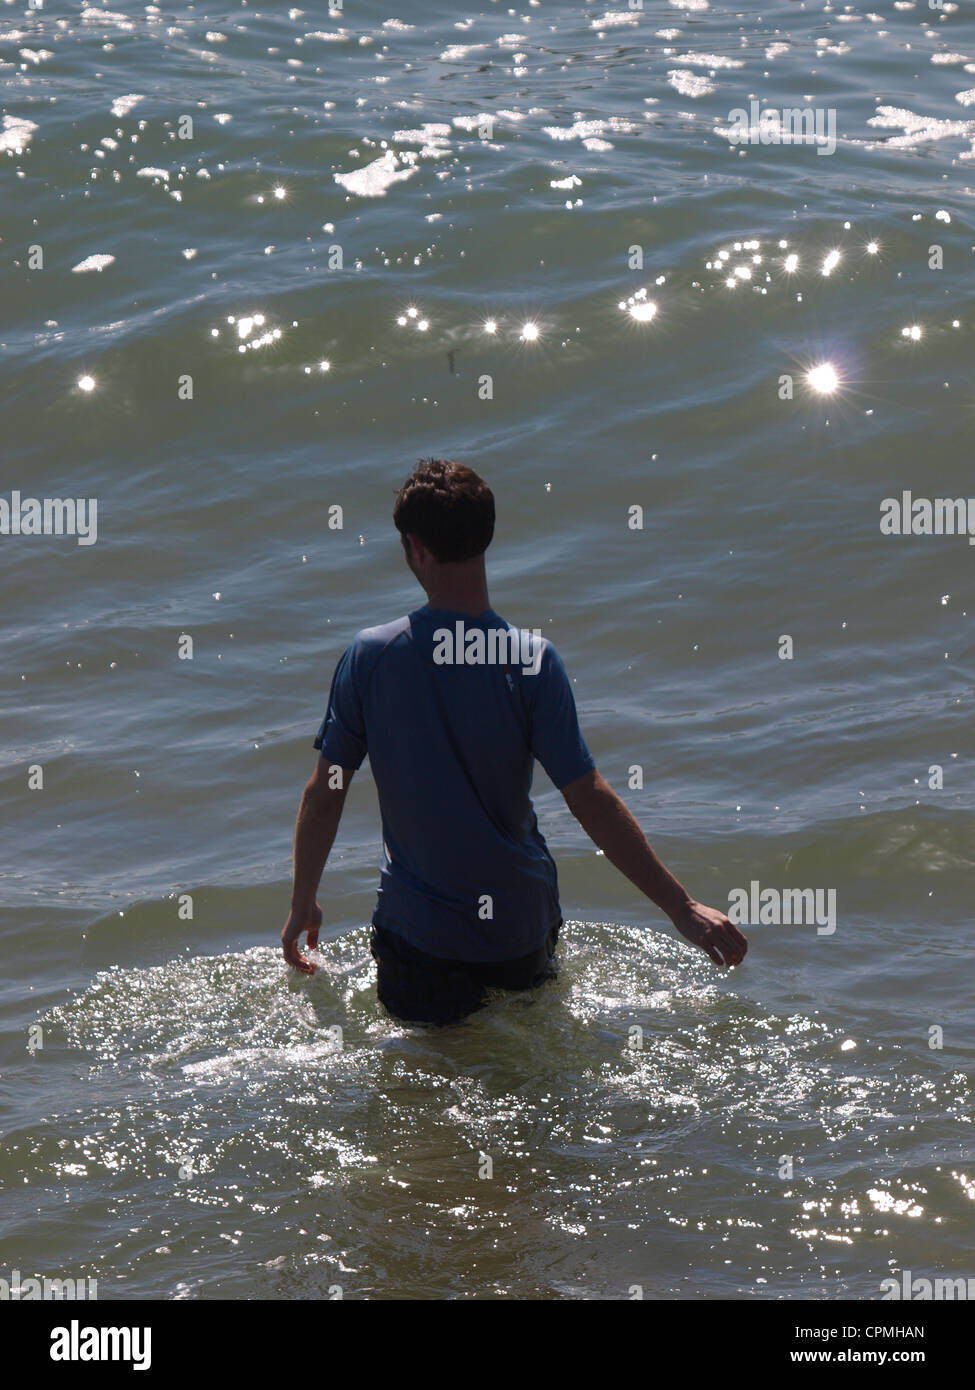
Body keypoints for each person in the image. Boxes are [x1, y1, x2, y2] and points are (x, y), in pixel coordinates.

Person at [281, 459, 747, 1024]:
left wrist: (302, 902)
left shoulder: (372, 657)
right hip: (519, 928)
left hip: (422, 935)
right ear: (488, 536)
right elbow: (591, 799)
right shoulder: (530, 660)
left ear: (414, 547)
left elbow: (327, 791)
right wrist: (683, 907)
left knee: (430, 1096)